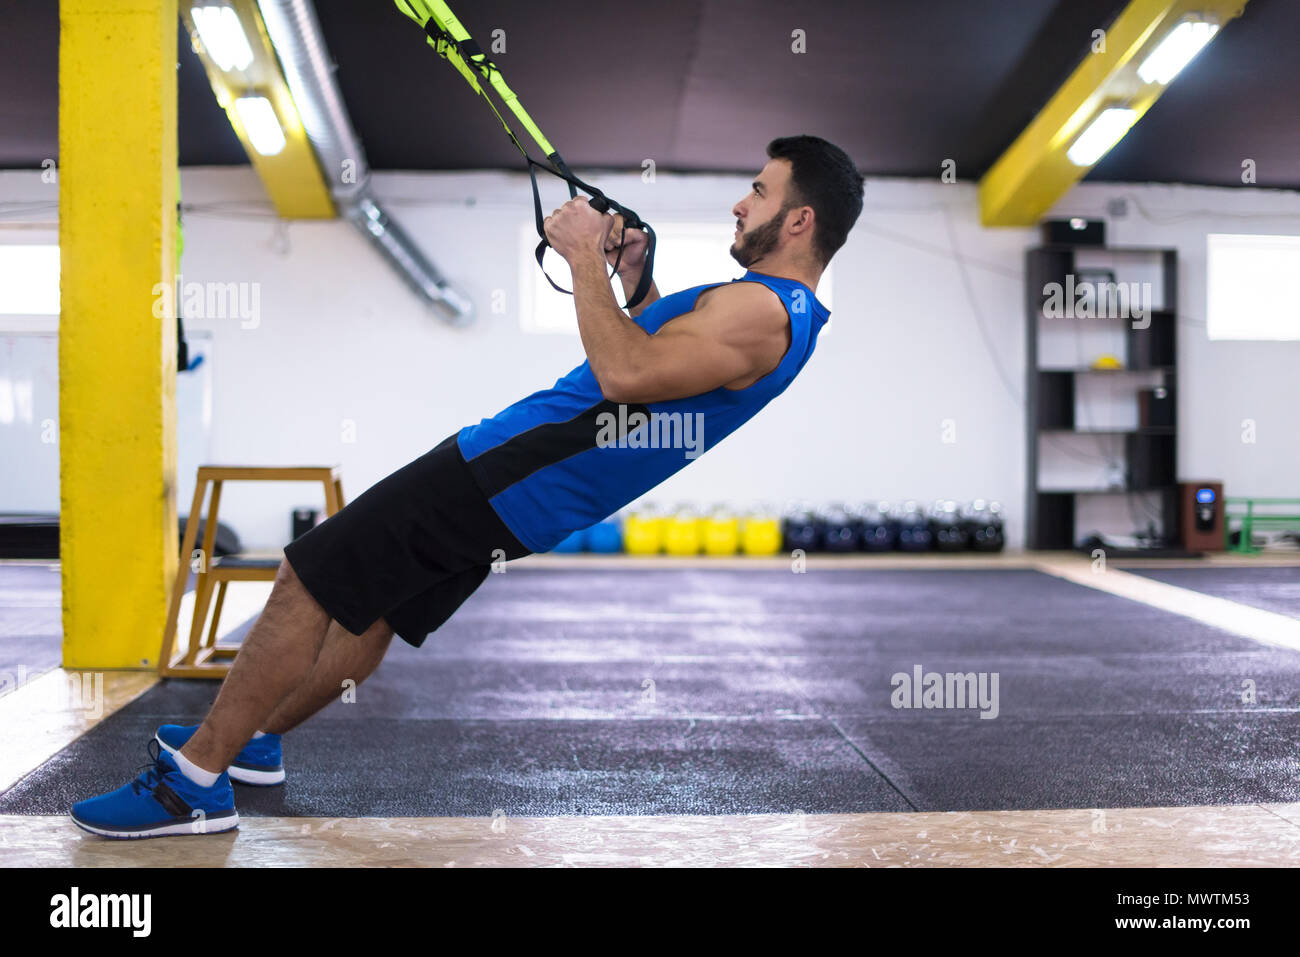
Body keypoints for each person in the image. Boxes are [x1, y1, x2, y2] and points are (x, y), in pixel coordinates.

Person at [70, 134, 865, 838]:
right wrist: (636, 281)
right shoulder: (782, 314)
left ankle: (192, 785)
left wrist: (586, 256)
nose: (741, 201)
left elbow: (626, 374)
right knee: (377, 605)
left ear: (799, 220)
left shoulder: (763, 308)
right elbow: (668, 364)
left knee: (308, 575)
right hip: (529, 493)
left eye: (759, 190)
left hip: (506, 469)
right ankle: (255, 739)